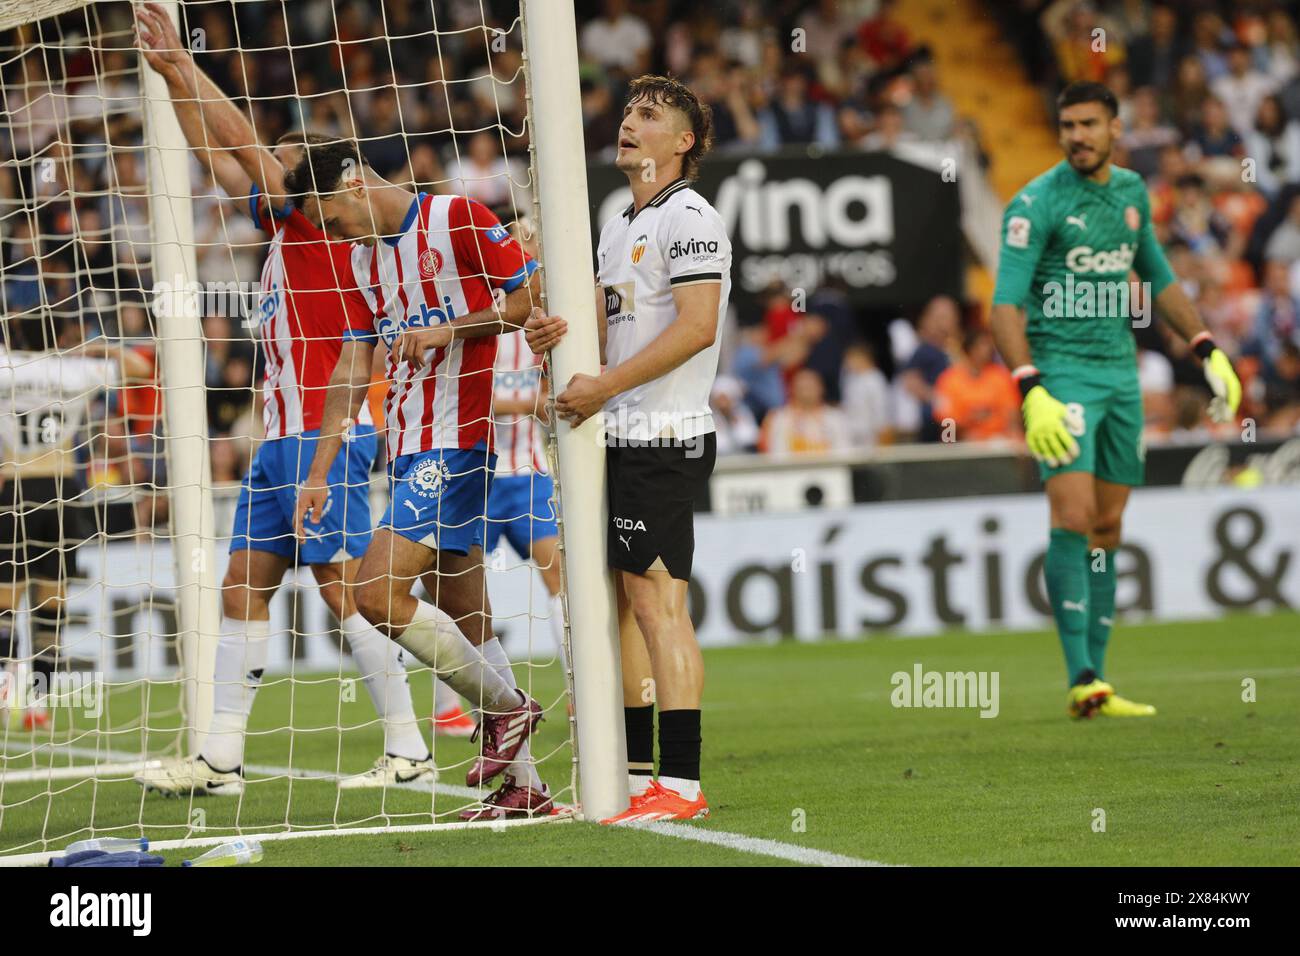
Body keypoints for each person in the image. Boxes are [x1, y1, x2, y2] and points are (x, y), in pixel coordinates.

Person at [132, 3, 429, 796]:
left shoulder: (321, 232)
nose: (278, 162)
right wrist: (174, 88)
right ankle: (221, 757)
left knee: (342, 593)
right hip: (279, 440)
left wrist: (183, 67)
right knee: (242, 584)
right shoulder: (282, 240)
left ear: (321, 185)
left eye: (293, 157)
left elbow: (243, 147)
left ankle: (409, 744)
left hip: (322, 437)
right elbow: (220, 156)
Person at [288, 136, 551, 820]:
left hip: (457, 441)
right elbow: (353, 366)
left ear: (353, 184)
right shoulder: (359, 259)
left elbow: (527, 301)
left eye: (333, 219)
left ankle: (508, 709)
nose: (334, 233)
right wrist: (319, 470)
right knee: (469, 615)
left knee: (374, 591)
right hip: (407, 449)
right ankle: (526, 789)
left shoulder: (456, 217)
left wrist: (450, 332)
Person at [990, 81, 1241, 720]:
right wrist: (1029, 384)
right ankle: (1080, 676)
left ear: (1115, 128)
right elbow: (1003, 307)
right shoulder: (1035, 203)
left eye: (1088, 124)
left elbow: (1157, 275)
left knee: (1108, 526)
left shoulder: (1131, 194)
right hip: (1061, 379)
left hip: (1121, 378)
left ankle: (1099, 676)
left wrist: (1207, 346)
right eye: (1067, 124)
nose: (1076, 135)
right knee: (1073, 517)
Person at [524, 74, 729, 823]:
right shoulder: (619, 219)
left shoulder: (691, 218)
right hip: (618, 431)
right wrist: (560, 338)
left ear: (683, 142)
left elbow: (698, 326)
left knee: (658, 603)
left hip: (663, 435)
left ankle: (679, 785)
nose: (629, 124)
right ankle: (637, 770)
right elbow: (619, 330)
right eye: (627, 113)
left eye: (650, 116)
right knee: (618, 605)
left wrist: (604, 385)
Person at [1, 328, 152, 729]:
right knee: (52, 607)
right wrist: (99, 348)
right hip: (62, 491)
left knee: (5, 604)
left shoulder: (5, 368)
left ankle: (5, 691)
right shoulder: (74, 371)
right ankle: (37, 704)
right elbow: (140, 368)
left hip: (16, 488)